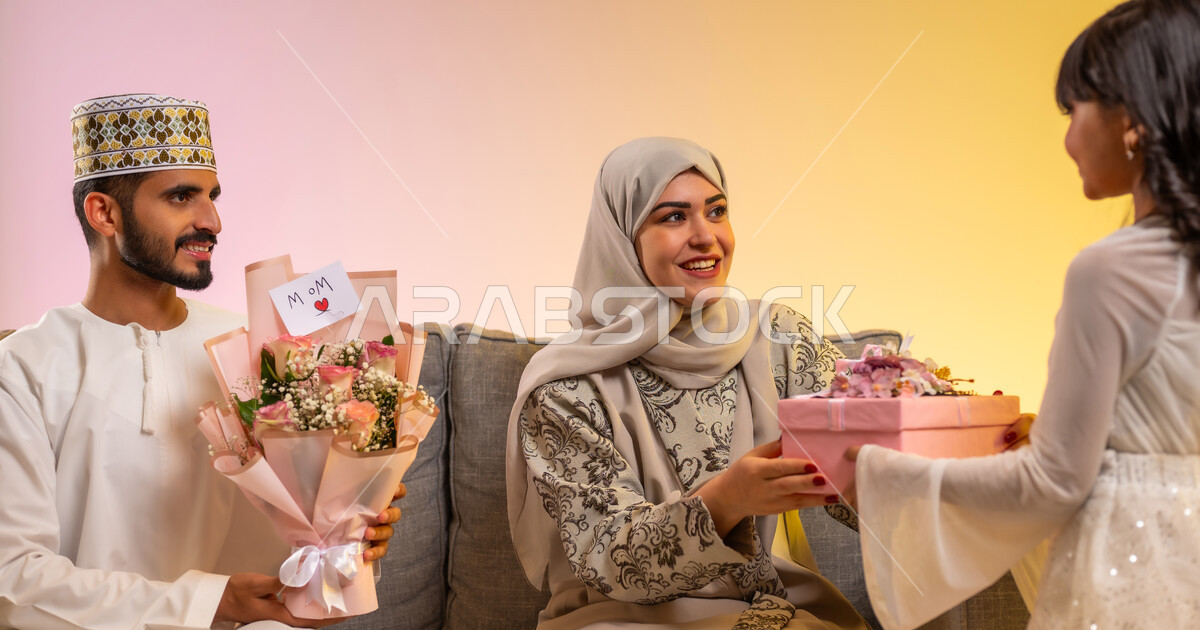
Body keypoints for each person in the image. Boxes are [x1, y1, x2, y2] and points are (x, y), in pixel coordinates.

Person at [846, 1, 1200, 627]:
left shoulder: (1107, 270)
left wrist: (883, 477)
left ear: (1133, 119)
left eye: (1074, 110)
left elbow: (1054, 482)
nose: (1067, 139)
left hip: (1130, 576)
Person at [0, 94, 402, 629]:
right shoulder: (24, 367)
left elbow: (299, 591)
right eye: (181, 197)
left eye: (212, 196)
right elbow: (15, 580)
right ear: (104, 212)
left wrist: (348, 534)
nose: (211, 220)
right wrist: (208, 603)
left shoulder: (260, 349)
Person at [506, 137, 869, 629]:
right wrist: (726, 500)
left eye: (716, 211)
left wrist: (950, 459)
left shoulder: (779, 340)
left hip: (771, 609)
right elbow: (610, 559)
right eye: (673, 217)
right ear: (621, 238)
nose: (706, 236)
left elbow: (861, 487)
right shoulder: (566, 387)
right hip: (624, 619)